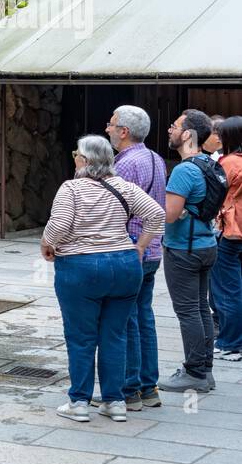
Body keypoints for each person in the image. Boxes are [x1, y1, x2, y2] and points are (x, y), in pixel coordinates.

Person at [45, 135, 165, 423]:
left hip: (81, 267)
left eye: (76, 153)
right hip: (124, 266)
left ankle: (79, 402)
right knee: (116, 334)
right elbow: (157, 216)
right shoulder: (125, 187)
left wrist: (46, 243)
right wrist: (139, 246)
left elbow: (59, 225)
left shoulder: (71, 188)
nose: (74, 157)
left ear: (84, 160)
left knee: (81, 337)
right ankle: (115, 401)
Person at [105, 105, 169, 411]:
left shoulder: (126, 164)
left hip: (133, 248)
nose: (107, 128)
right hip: (153, 248)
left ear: (124, 131)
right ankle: (148, 387)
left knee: (126, 319)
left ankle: (128, 390)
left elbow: (117, 210)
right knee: (144, 317)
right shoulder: (155, 158)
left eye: (111, 124)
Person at [159, 109, 225, 394]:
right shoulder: (207, 163)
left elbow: (170, 215)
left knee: (188, 311)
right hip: (206, 245)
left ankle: (195, 372)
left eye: (174, 126)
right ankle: (205, 370)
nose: (170, 130)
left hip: (183, 249)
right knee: (200, 308)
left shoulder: (184, 170)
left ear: (187, 134)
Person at [212, 115, 242, 362]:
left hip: (231, 230)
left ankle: (230, 343)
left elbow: (215, 193)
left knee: (227, 288)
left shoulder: (229, 162)